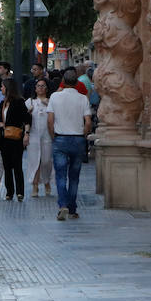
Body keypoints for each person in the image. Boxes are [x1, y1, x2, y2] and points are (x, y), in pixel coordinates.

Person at [48, 69, 93, 221]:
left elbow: (50, 120)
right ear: (76, 83)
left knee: (60, 175)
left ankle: (62, 205)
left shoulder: (54, 97)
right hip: (78, 139)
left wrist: (53, 135)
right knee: (74, 176)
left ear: (63, 82)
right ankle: (73, 209)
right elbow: (88, 121)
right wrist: (84, 135)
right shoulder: (82, 99)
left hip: (60, 138)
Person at [0, 79, 31, 201]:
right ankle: (9, 192)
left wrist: (26, 134)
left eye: (3, 87)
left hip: (16, 138)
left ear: (8, 88)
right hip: (4, 138)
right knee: (7, 166)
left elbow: (26, 118)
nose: (1, 89)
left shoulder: (19, 102)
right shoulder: (2, 103)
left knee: (17, 165)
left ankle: (20, 192)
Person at [25, 77, 55, 197]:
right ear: (35, 88)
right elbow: (24, 119)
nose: (41, 88)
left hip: (47, 136)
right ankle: (35, 185)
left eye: (43, 86)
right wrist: (28, 114)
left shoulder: (52, 101)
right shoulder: (29, 102)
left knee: (46, 161)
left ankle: (47, 181)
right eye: (39, 86)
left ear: (47, 88)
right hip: (33, 135)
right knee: (34, 161)